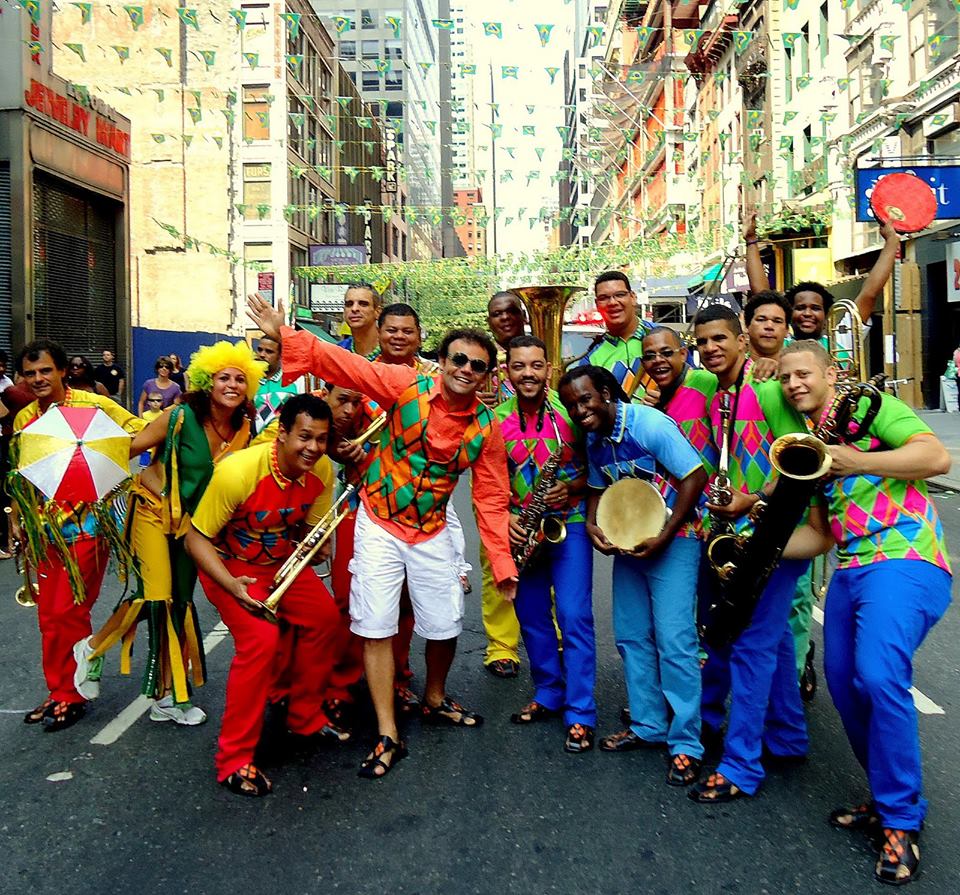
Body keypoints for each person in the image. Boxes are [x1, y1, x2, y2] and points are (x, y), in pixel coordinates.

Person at [247, 292, 517, 780]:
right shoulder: (405, 385)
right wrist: (284, 334)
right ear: (441, 361)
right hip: (378, 520)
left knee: (444, 625)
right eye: (458, 359)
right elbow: (344, 364)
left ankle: (435, 696)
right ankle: (387, 730)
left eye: (477, 365)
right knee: (374, 624)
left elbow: (493, 498)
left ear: (485, 377)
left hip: (432, 530)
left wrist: (502, 562)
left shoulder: (486, 428)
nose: (466, 369)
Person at [779, 340, 952, 886]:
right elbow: (820, 537)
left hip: (906, 556)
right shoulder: (807, 442)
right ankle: (885, 797)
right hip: (852, 570)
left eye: (803, 373)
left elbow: (936, 458)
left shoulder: (873, 409)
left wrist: (857, 460)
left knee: (877, 677)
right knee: (845, 687)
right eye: (785, 378)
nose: (794, 384)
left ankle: (901, 820)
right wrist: (753, 545)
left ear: (830, 373)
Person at [75, 342, 264, 726]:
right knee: (156, 597)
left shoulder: (245, 429)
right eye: (223, 378)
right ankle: (91, 648)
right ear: (207, 382)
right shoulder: (179, 416)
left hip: (193, 528)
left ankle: (168, 696)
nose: (231, 385)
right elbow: (128, 450)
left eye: (240, 379)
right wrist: (83, 471)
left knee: (179, 605)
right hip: (151, 512)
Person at [186, 393, 342, 797]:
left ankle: (304, 715)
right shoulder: (238, 472)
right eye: (304, 437)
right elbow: (195, 539)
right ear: (282, 434)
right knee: (260, 640)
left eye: (321, 439)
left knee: (326, 620)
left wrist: (318, 545)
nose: (313, 448)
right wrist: (230, 584)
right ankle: (233, 759)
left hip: (281, 565)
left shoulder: (323, 470)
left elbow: (307, 531)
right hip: (231, 569)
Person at [560, 365, 709, 785]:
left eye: (586, 399)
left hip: (675, 540)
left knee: (675, 641)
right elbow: (596, 487)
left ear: (606, 393)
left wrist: (665, 535)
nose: (580, 410)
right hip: (630, 546)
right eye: (571, 405)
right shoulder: (594, 438)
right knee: (630, 636)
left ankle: (686, 744)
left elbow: (695, 475)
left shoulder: (650, 425)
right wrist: (593, 524)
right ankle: (648, 725)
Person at [686, 305, 812, 804]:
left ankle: (741, 766)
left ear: (742, 341)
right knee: (772, 639)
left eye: (720, 338)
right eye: (702, 342)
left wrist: (753, 499)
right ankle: (787, 736)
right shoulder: (715, 392)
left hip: (777, 534)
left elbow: (802, 460)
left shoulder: (768, 388)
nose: (710, 348)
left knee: (751, 644)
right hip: (736, 534)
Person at [8, 339, 146, 731]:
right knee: (49, 617)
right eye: (30, 373)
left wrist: (103, 456)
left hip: (88, 529)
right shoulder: (24, 419)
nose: (38, 379)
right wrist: (17, 518)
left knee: (70, 613)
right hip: (44, 532)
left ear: (63, 371)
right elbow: (23, 474)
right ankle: (59, 690)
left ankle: (72, 694)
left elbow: (142, 431)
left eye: (45, 371)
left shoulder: (93, 406)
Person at [498, 335, 596, 752]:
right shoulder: (495, 419)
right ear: (507, 370)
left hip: (567, 524)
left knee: (574, 615)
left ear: (549, 369)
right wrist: (507, 518)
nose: (528, 374)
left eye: (536, 365)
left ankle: (581, 711)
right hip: (523, 529)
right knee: (532, 616)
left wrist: (570, 487)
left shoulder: (570, 412)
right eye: (519, 366)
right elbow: (489, 484)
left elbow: (597, 469)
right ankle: (549, 691)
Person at [744, 212, 900, 343]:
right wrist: (751, 241)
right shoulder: (777, 345)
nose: (807, 313)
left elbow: (869, 294)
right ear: (788, 315)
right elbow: (762, 297)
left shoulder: (841, 343)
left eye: (816, 308)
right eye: (800, 308)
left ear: (826, 317)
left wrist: (892, 241)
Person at [477, 292, 525, 678]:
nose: (504, 318)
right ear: (489, 321)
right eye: (497, 314)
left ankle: (554, 634)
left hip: (539, 474)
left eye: (511, 311)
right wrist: (475, 401)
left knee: (549, 561)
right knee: (495, 561)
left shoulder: (544, 356)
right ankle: (502, 646)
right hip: (493, 477)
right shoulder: (480, 363)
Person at [253, 335, 301, 432]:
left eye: (269, 351)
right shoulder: (248, 380)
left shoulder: (294, 381)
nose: (262, 355)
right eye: (260, 350)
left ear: (280, 355)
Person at [339, 283, 382, 360]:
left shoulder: (393, 350)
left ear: (377, 312)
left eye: (363, 304)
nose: (354, 309)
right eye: (349, 304)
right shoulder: (339, 352)